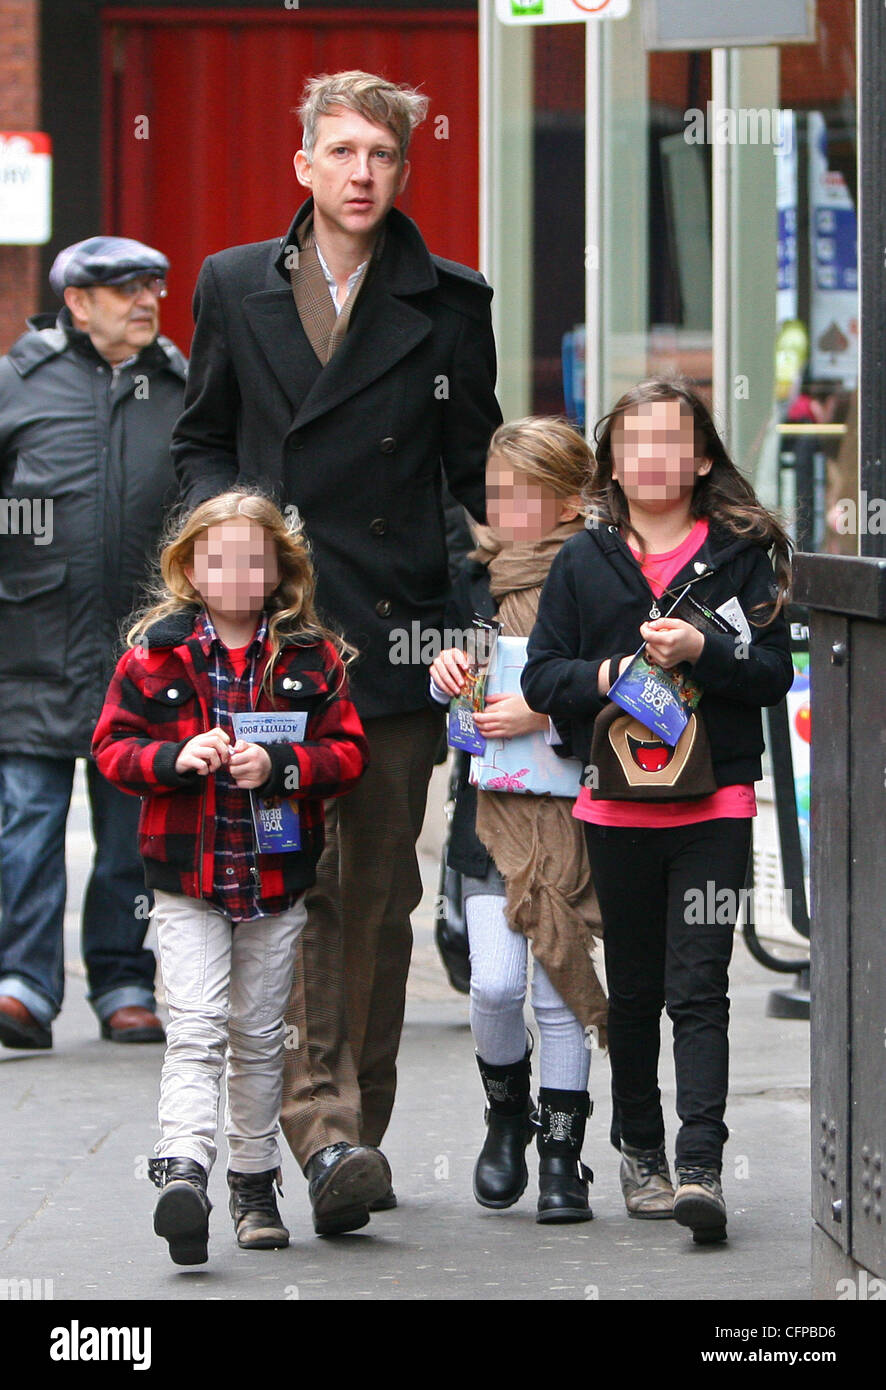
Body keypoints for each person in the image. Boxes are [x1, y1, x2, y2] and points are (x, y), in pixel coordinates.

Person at [171, 70, 501, 1232]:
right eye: (344, 152)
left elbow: (475, 484)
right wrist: (235, 542)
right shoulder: (229, 286)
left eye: (385, 156)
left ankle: (348, 1128)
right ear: (303, 165)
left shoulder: (452, 302)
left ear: (405, 171)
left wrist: (483, 623)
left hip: (398, 647)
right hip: (270, 645)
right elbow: (202, 439)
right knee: (292, 885)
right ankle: (319, 1131)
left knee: (378, 896)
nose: (364, 174)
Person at [523, 379, 793, 1244]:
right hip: (615, 811)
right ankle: (641, 1151)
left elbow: (770, 676)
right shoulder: (582, 558)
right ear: (611, 463)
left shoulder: (741, 555)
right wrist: (609, 676)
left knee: (699, 988)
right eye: (633, 443)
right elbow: (540, 679)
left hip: (714, 802)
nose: (652, 458)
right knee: (635, 993)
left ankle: (702, 1165)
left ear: (703, 458)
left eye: (672, 441)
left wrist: (702, 651)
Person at [92, 491, 369, 1265]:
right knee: (196, 1026)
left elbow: (348, 756)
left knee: (256, 1035)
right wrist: (171, 761)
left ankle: (254, 1183)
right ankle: (183, 1166)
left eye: (255, 559)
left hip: (275, 881)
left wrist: (284, 764)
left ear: (281, 569)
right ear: (190, 568)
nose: (238, 574)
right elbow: (112, 748)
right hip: (185, 879)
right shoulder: (156, 653)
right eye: (219, 559)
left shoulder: (310, 655)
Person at [0, 236, 186, 1050]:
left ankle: (121, 982)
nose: (146, 301)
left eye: (153, 285)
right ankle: (23, 985)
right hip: (28, 645)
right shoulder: (18, 385)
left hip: (144, 654)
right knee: (27, 824)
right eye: (125, 290)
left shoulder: (181, 389)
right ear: (77, 302)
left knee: (134, 832)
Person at [429, 418, 607, 1223]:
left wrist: (542, 714)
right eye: (492, 490)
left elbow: (634, 692)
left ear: (570, 504)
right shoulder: (472, 580)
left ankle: (563, 1157)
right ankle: (507, 1116)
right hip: (488, 815)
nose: (494, 506)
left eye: (516, 493)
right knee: (496, 983)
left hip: (577, 812)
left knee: (563, 990)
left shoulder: (602, 577)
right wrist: (445, 677)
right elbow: (456, 693)